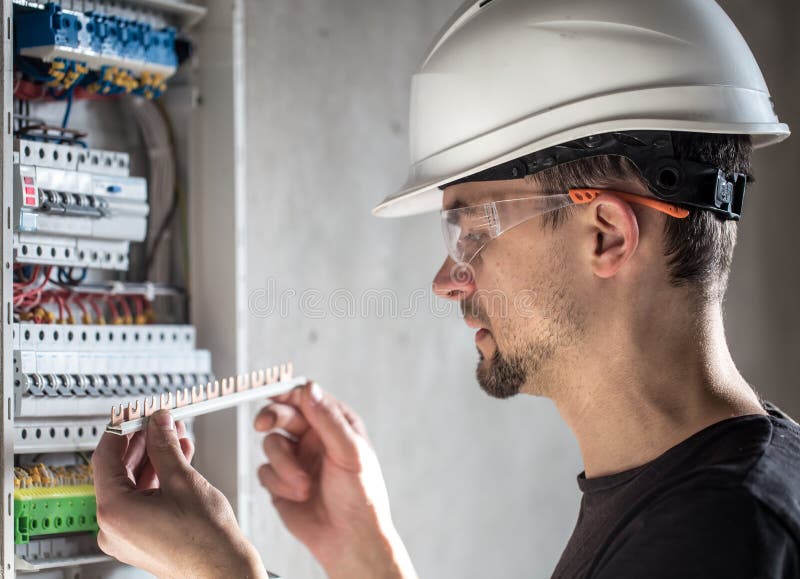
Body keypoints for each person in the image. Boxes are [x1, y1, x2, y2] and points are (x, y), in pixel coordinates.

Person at [92, 0, 800, 577]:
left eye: (472, 231)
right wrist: (369, 561)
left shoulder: (719, 537)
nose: (446, 279)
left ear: (606, 234)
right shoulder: (705, 501)